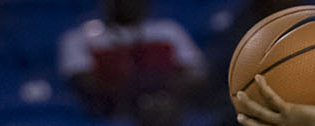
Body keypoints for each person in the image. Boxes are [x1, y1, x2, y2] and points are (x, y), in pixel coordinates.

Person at [58, 0, 206, 117]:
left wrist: (162, 99)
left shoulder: (169, 31)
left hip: (169, 109)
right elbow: (87, 86)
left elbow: (193, 74)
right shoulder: (79, 38)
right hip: (112, 115)